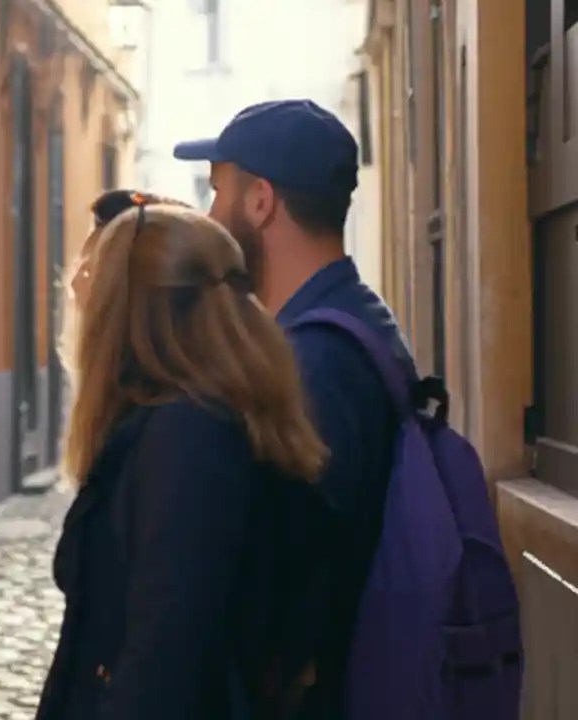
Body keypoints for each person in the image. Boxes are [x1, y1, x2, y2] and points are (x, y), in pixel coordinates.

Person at [36, 197, 329, 719]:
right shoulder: (200, 422)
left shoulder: (188, 438)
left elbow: (164, 659)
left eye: (92, 287)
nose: (79, 299)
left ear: (126, 313)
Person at [173, 98, 417, 717]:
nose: (209, 214)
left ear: (260, 201)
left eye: (216, 192)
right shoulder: (352, 322)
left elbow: (293, 590)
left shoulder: (316, 360)